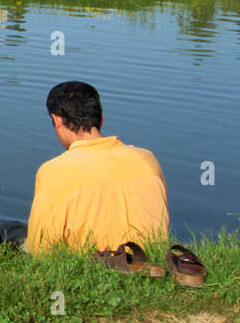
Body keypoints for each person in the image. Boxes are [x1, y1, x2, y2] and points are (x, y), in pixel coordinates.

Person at [26, 80, 169, 254]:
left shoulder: (54, 171)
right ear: (100, 119)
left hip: (94, 263)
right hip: (147, 259)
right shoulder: (146, 160)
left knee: (11, 231)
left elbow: (40, 248)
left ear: (57, 121)